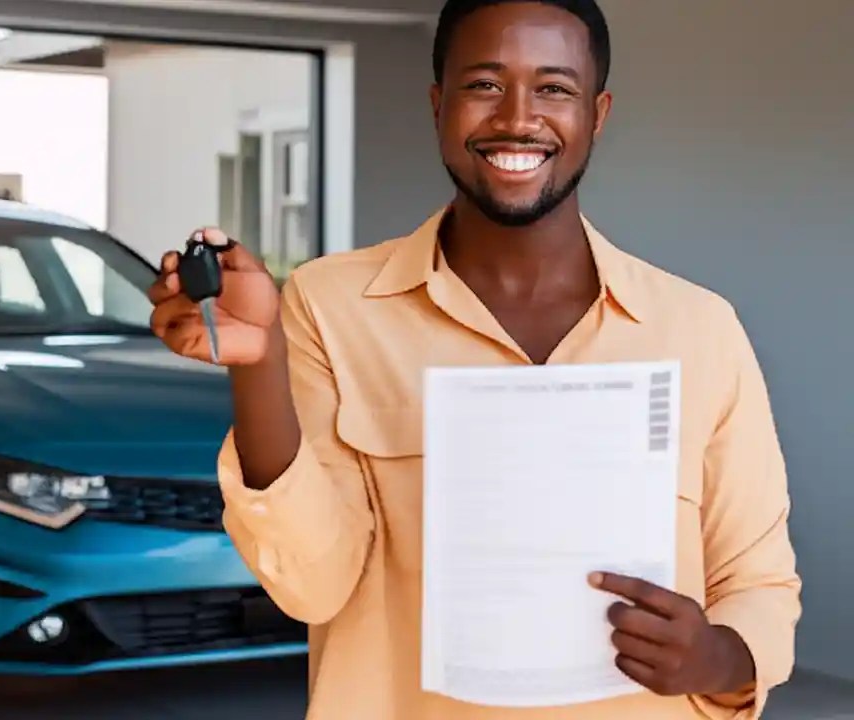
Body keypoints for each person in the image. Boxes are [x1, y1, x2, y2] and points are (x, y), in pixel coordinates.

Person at [148, 0, 802, 718]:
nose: (518, 118)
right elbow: (311, 586)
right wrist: (258, 361)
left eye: (554, 88)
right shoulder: (329, 305)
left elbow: (760, 583)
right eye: (484, 85)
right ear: (438, 105)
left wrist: (721, 657)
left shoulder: (700, 329)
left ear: (599, 113)